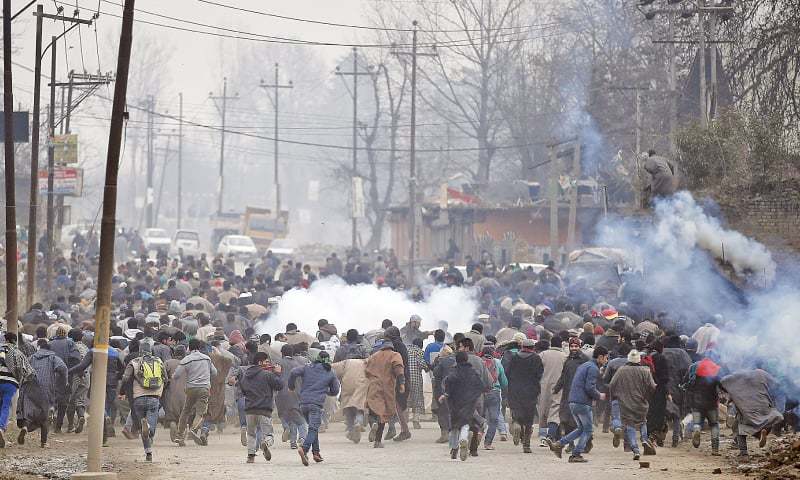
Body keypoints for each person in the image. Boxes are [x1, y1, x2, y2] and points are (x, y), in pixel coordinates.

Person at [548, 345, 609, 463]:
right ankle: (576, 454)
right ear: (600, 357)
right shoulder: (593, 368)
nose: (606, 361)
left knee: (581, 428)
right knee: (588, 430)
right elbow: (590, 387)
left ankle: (559, 444)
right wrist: (599, 395)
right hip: (582, 402)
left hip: (573, 401)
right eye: (606, 358)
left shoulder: (584, 365)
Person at [288, 350, 340, 466]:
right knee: (313, 428)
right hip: (316, 404)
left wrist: (291, 386)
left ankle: (316, 453)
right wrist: (327, 391)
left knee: (313, 428)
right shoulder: (330, 372)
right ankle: (304, 449)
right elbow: (335, 390)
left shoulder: (308, 367)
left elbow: (293, 372)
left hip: (303, 404)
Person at [121, 339, 168, 462]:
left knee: (143, 431)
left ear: (140, 351)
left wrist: (123, 391)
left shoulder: (134, 362)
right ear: (151, 351)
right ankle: (147, 428)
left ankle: (148, 453)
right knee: (150, 429)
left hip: (138, 399)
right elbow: (166, 379)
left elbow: (125, 378)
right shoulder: (158, 361)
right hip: (154, 398)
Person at [608, 349, 657, 460]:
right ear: (639, 360)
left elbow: (611, 385)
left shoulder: (621, 370)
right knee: (643, 422)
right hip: (641, 402)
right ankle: (644, 440)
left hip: (625, 403)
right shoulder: (645, 370)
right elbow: (653, 386)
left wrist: (614, 397)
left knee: (630, 424)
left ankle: (635, 450)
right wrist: (647, 396)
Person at [18, 339, 67, 448]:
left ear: (40, 348)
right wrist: (63, 382)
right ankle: (44, 442)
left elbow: (24, 370)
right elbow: (63, 368)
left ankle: (25, 427)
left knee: (29, 411)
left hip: (31, 385)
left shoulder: (32, 357)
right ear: (50, 349)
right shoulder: (53, 358)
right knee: (45, 415)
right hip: (46, 388)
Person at [237, 351, 283, 464]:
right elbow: (279, 386)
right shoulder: (267, 375)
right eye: (266, 362)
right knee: (268, 434)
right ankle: (265, 443)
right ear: (260, 362)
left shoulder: (245, 375)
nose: (268, 364)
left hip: (249, 410)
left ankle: (250, 457)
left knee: (251, 434)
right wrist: (277, 373)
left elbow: (243, 390)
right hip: (264, 409)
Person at [502, 338, 544, 453]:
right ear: (532, 348)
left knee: (517, 413)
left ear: (522, 347)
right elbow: (540, 374)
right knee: (529, 419)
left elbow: (507, 372)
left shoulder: (514, 357)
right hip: (531, 391)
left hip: (515, 390)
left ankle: (516, 425)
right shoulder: (536, 358)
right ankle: (526, 445)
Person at [173, 339, 217, 447]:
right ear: (199, 347)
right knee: (200, 412)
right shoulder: (207, 358)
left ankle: (179, 436)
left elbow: (176, 375)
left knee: (186, 411)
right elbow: (215, 372)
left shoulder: (186, 359)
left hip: (191, 389)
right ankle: (193, 430)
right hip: (204, 388)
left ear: (189, 348)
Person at [441, 351, 484, 461]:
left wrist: (446, 394)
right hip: (469, 402)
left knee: (455, 426)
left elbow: (449, 382)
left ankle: (454, 449)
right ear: (467, 359)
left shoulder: (454, 371)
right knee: (466, 423)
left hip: (455, 402)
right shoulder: (473, 372)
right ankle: (464, 439)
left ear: (457, 360)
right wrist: (474, 396)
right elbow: (480, 386)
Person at [364, 340, 405, 448]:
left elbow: (366, 370)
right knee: (384, 414)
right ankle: (378, 441)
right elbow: (399, 369)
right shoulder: (395, 355)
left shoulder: (374, 356)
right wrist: (402, 384)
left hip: (374, 386)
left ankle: (373, 423)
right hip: (387, 388)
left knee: (373, 409)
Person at [682, 352, 722, 455]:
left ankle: (697, 430)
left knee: (697, 423)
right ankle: (715, 449)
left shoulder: (694, 367)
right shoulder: (716, 369)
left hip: (697, 402)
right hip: (712, 402)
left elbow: (685, 381)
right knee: (714, 425)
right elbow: (722, 385)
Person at [332, 349, 368, 443]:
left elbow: (332, 369)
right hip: (361, 383)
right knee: (359, 407)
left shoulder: (346, 362)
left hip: (347, 383)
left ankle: (351, 431)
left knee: (348, 407)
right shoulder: (365, 362)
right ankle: (358, 422)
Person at [538, 336, 567, 445]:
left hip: (544, 385)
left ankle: (543, 436)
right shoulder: (565, 356)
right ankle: (552, 435)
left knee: (543, 411)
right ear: (560, 344)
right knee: (555, 410)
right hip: (559, 387)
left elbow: (537, 370)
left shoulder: (543, 355)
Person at [479, 342, 507, 450]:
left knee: (479, 417)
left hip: (480, 393)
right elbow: (504, 382)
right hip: (494, 392)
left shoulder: (478, 362)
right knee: (494, 418)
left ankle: (478, 433)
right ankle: (488, 443)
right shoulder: (498, 363)